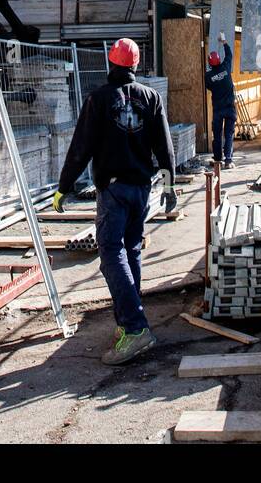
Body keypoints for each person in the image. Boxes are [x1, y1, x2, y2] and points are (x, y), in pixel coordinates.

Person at [53, 37, 176, 365]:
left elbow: (82, 146)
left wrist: (64, 187)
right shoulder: (151, 97)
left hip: (113, 190)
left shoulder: (99, 99)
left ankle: (135, 328)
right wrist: (170, 184)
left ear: (112, 63)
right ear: (135, 65)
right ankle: (130, 322)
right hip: (140, 189)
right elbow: (164, 145)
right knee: (131, 249)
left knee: (110, 253)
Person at [205, 32, 236, 168]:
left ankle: (218, 159)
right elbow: (229, 54)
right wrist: (223, 41)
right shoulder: (226, 67)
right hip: (230, 108)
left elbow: (208, 87)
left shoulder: (208, 76)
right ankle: (228, 160)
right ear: (219, 60)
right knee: (228, 134)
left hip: (218, 109)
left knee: (217, 134)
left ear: (210, 63)